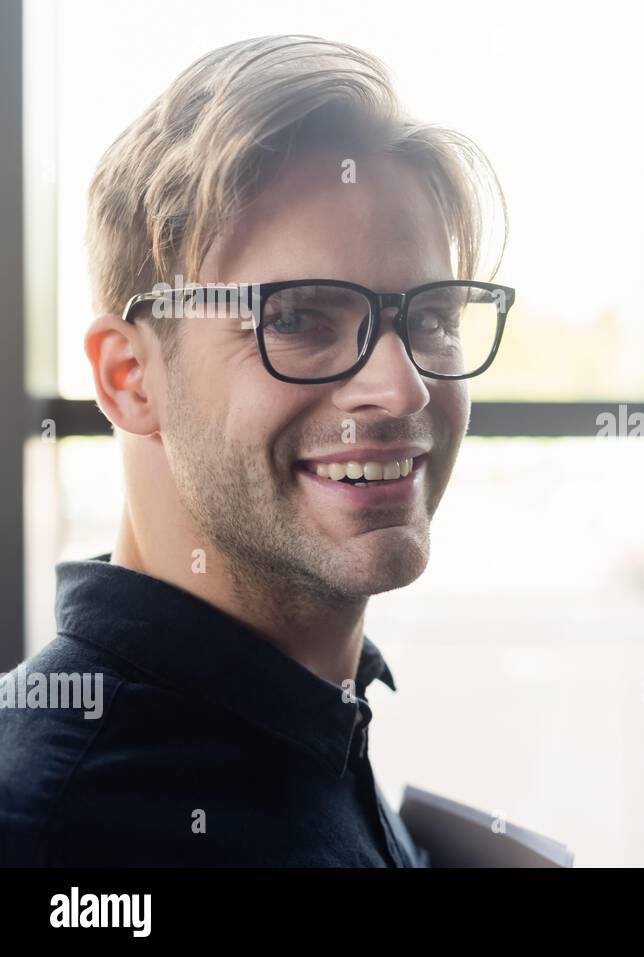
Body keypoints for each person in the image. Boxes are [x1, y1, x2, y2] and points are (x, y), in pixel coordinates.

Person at [0, 34, 511, 866]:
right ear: (130, 378)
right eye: (297, 319)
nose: (403, 387)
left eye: (431, 317)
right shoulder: (49, 831)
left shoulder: (306, 721)